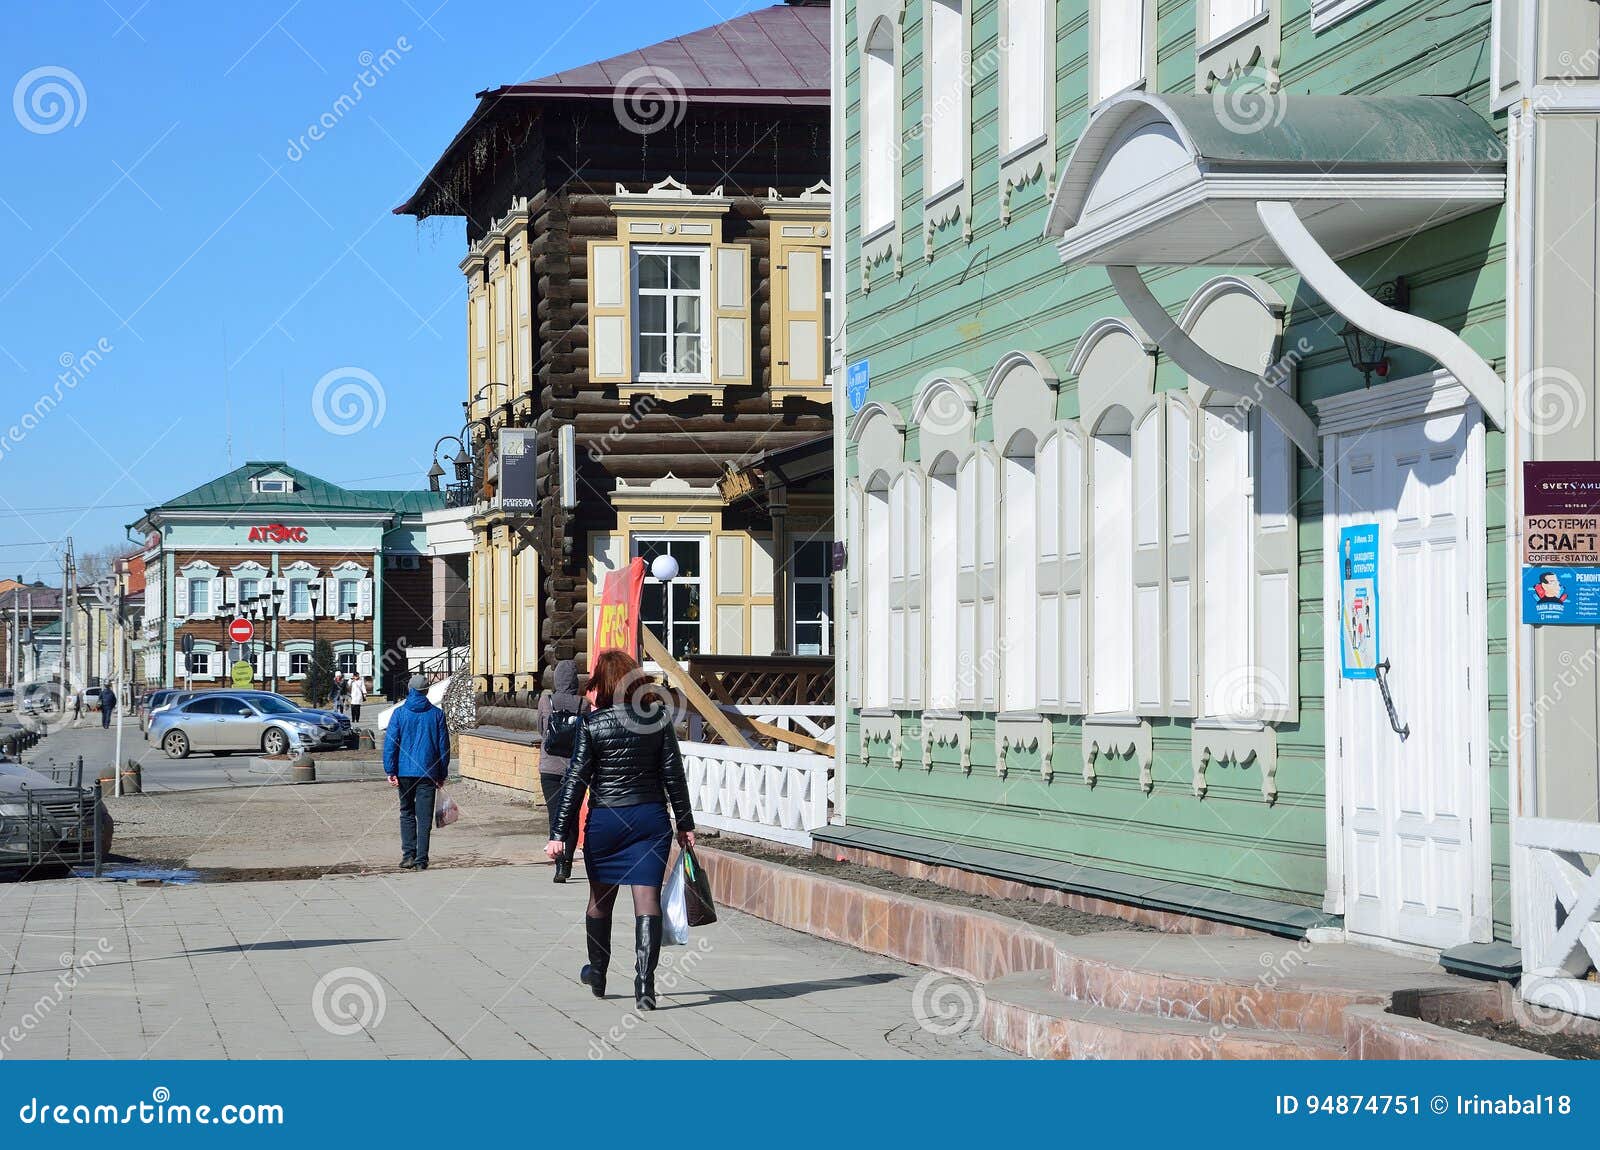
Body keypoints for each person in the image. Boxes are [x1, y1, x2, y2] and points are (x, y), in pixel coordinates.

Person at [547, 650, 694, 1010]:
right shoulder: (657, 720)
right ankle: (645, 984)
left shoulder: (592, 725)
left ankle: (597, 973)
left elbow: (575, 782)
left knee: (599, 901)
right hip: (650, 820)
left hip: (606, 823)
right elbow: (673, 776)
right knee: (647, 901)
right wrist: (685, 824)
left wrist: (557, 835)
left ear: (602, 683)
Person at [384, 673, 452, 871]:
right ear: (426, 691)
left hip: (404, 772)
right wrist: (441, 773)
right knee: (424, 817)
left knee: (406, 812)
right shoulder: (436, 714)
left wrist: (390, 769)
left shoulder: (399, 713)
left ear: (410, 690)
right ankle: (421, 859)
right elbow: (443, 747)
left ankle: (408, 855)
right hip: (428, 773)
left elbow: (391, 744)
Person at [537, 659, 585, 883]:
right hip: (575, 769)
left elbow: (541, 730)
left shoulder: (546, 701)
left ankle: (557, 863)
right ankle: (566, 863)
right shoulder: (584, 704)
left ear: (556, 679)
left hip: (549, 768)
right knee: (572, 816)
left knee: (554, 815)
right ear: (575, 681)